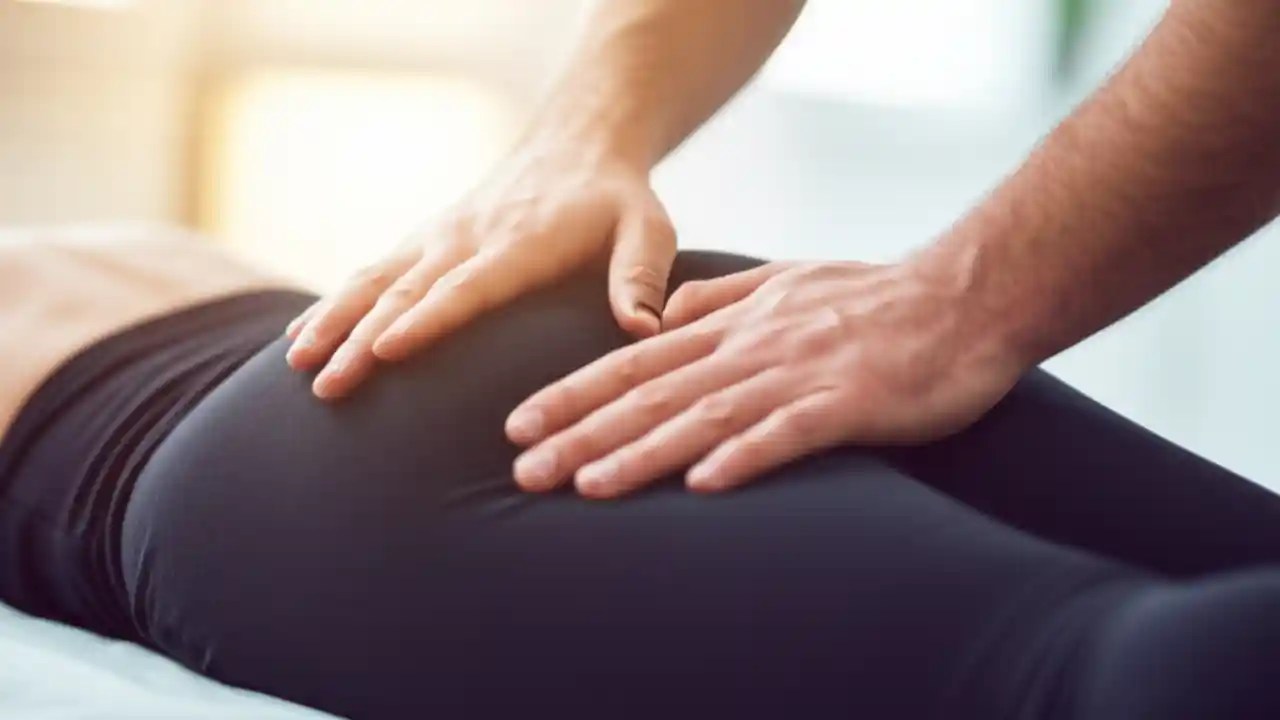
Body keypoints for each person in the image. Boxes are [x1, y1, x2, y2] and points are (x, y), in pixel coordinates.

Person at [1, 3, 1278, 720]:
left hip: (319, 482)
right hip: (652, 328)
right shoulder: (81, 249)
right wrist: (572, 142)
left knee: (1095, 679)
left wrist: (966, 296)